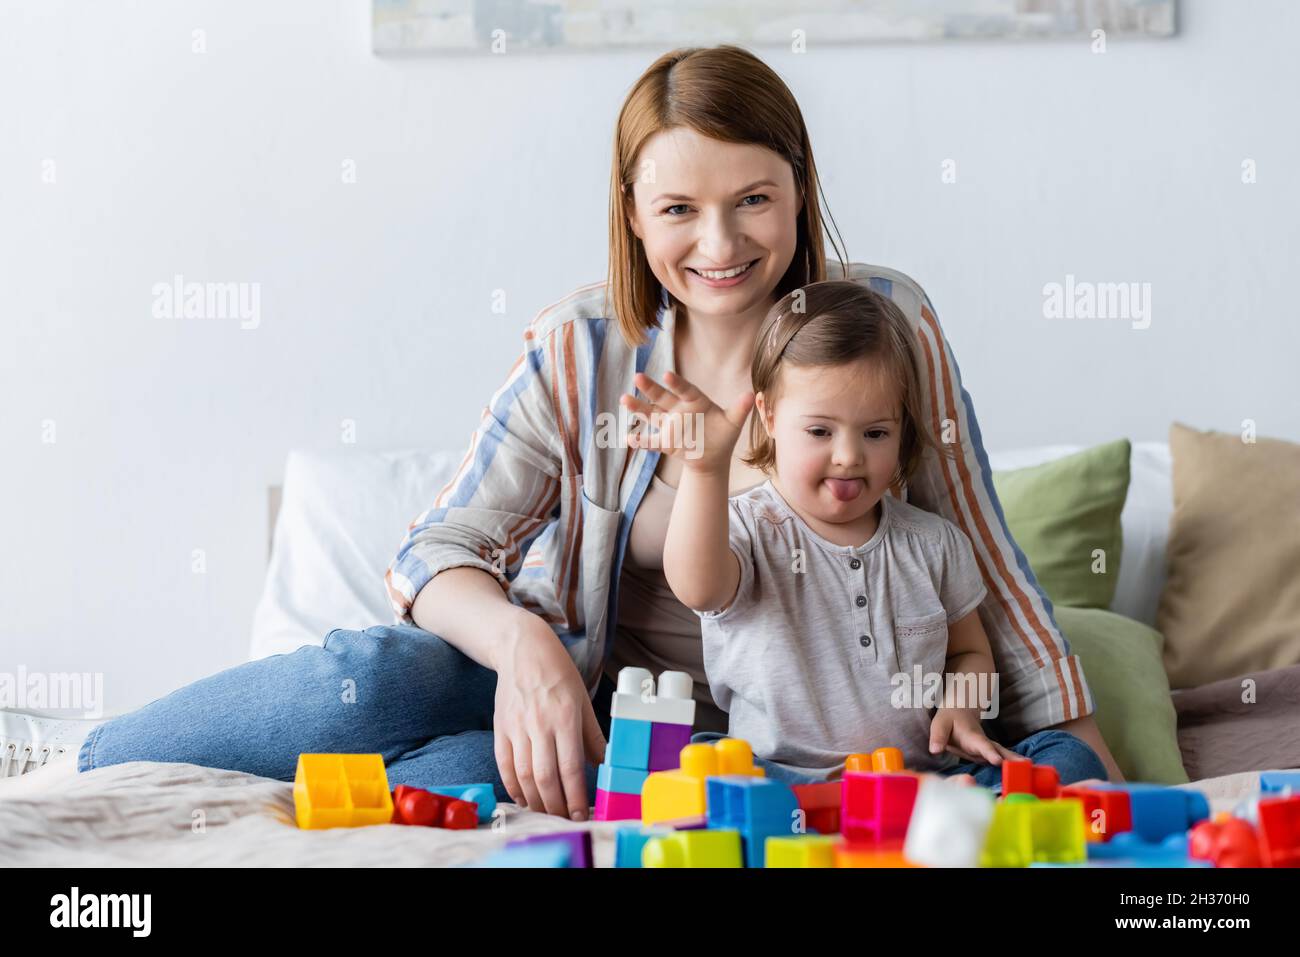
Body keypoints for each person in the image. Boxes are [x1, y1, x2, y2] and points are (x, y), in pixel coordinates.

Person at [7, 45, 1121, 819]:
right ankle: (75, 761)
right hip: (586, 694)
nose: (720, 242)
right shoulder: (581, 346)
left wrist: (1068, 743)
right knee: (392, 684)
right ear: (633, 215)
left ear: (799, 192)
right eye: (678, 208)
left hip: (740, 747)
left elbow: (981, 563)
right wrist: (528, 651)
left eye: (754, 199)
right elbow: (434, 554)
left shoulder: (883, 324)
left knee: (1053, 775)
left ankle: (416, 778)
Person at [626, 280, 1107, 790]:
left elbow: (969, 653)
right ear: (768, 416)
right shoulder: (748, 528)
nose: (849, 455)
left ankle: (955, 816)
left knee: (1069, 758)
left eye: (876, 433)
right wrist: (705, 470)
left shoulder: (935, 543)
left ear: (902, 428)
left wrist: (961, 708)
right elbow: (697, 587)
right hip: (791, 781)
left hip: (923, 778)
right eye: (820, 432)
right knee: (699, 775)